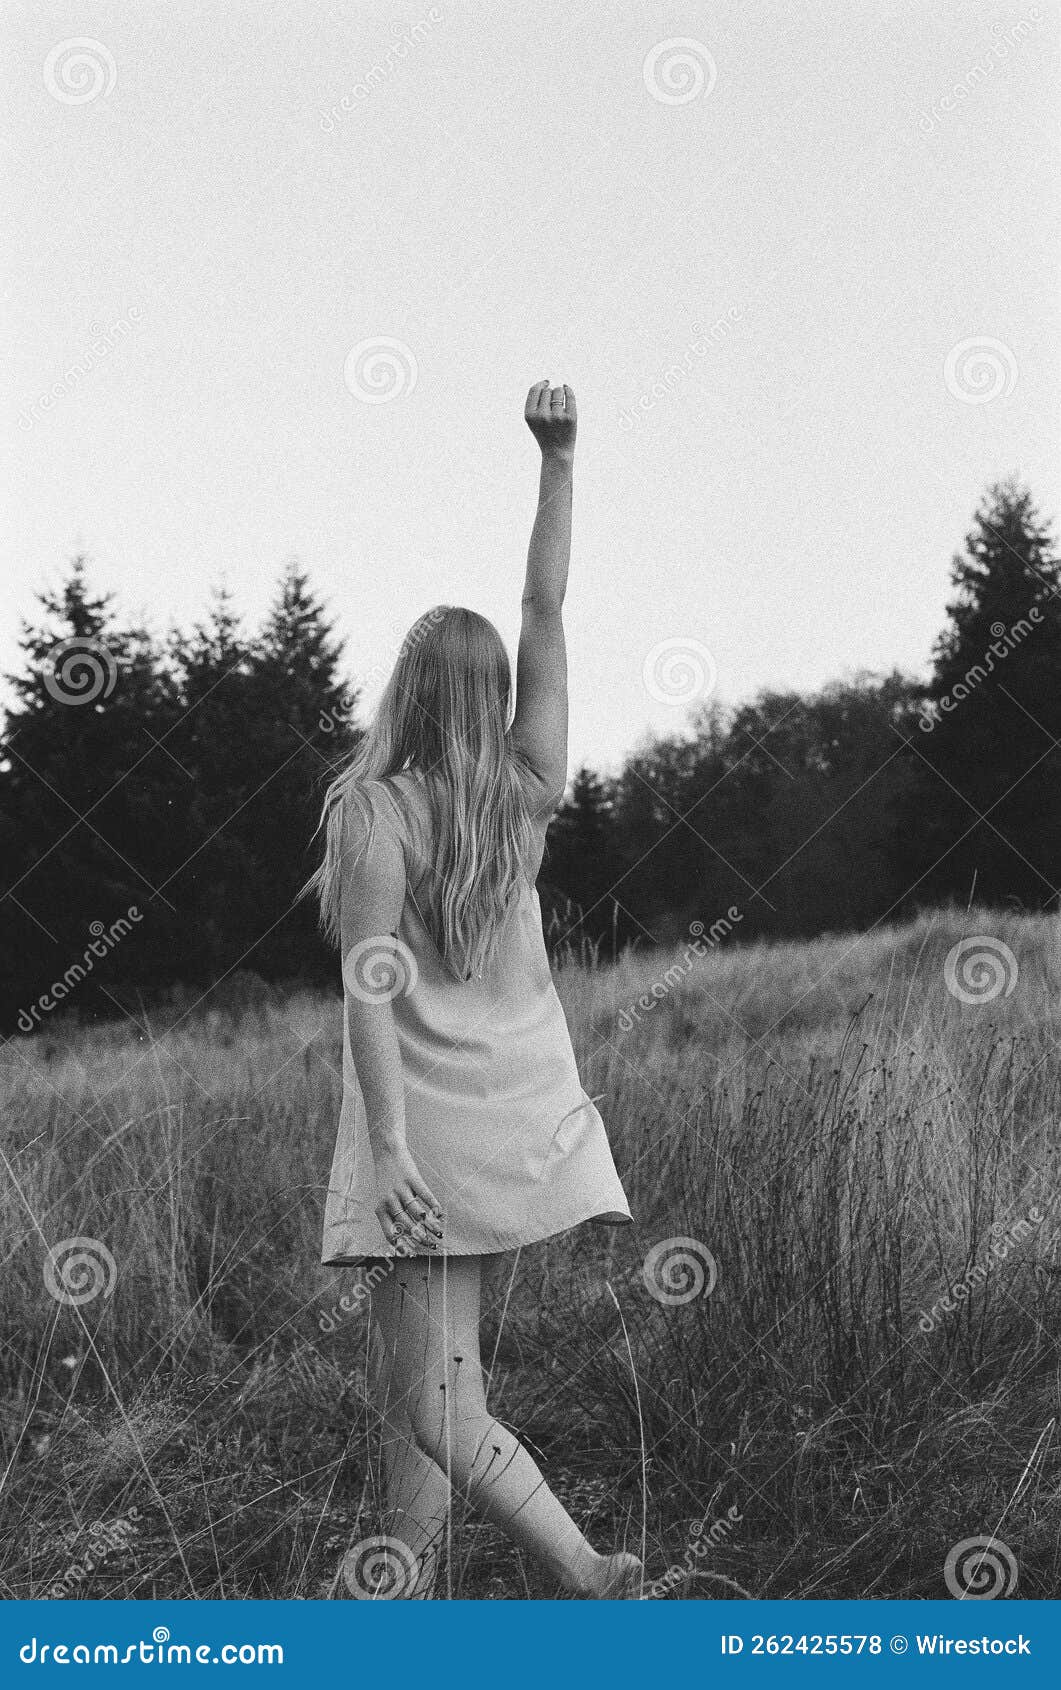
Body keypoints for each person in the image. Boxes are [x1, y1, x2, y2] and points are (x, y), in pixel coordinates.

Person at [307, 382, 639, 1599]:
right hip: (518, 1119)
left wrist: (389, 1147)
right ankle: (409, 1588)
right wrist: (559, 460)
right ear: (486, 696)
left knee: (427, 1396)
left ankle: (582, 1564)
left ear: (402, 687)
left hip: (428, 1133)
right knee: (440, 1380)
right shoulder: (523, 789)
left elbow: (366, 984)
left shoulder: (374, 809)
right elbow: (544, 605)